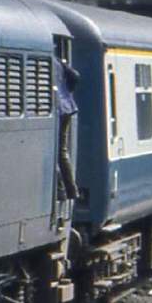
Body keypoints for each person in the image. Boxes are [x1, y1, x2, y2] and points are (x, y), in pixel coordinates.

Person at [55, 57, 81, 201]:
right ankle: (71, 189)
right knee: (62, 151)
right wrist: (68, 91)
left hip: (59, 108)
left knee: (57, 151)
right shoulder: (59, 61)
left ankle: (63, 189)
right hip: (67, 106)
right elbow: (75, 76)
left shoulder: (49, 60)